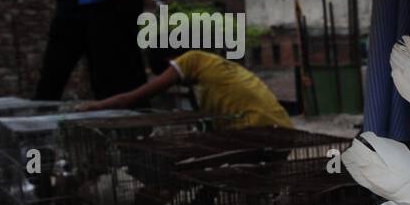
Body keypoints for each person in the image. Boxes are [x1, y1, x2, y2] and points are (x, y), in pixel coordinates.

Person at [79, 47, 292, 129]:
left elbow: (129, 99)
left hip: (256, 128)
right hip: (280, 124)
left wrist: (92, 108)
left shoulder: (189, 61)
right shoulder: (212, 63)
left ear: (169, 62)